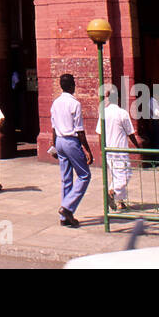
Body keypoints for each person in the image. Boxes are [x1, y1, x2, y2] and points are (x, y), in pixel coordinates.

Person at [51, 73, 95, 227]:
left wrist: (54, 145)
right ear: (72, 86)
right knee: (84, 175)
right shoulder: (74, 104)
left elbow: (54, 127)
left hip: (60, 141)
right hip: (71, 140)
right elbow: (80, 130)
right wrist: (88, 149)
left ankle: (65, 217)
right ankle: (67, 208)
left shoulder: (55, 103)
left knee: (66, 178)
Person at [96, 96, 140, 211]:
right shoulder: (122, 113)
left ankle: (120, 202)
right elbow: (130, 132)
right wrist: (137, 146)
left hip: (108, 149)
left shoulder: (103, 113)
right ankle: (112, 192)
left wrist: (101, 149)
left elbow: (99, 132)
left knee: (116, 175)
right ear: (119, 100)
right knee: (125, 175)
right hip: (120, 150)